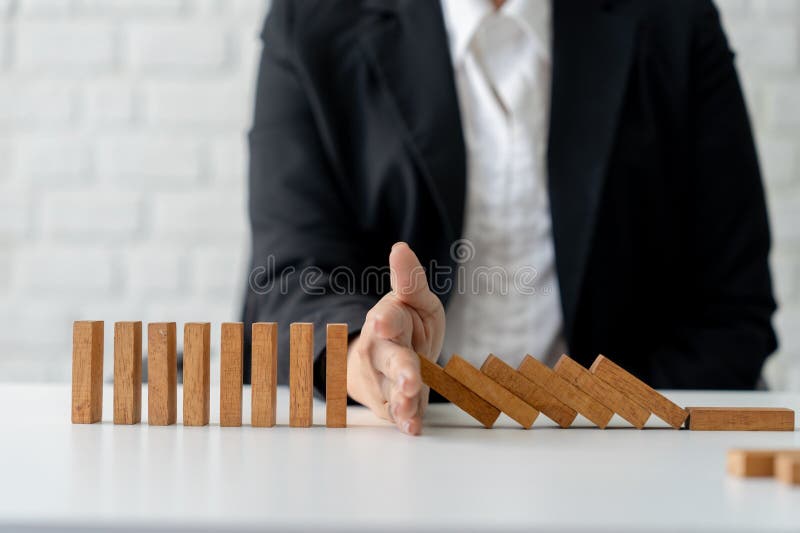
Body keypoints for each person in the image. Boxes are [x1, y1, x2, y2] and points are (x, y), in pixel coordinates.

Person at [242, 0, 777, 435]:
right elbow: (288, 276)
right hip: (397, 445)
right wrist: (365, 352)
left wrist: (619, 421)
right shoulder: (312, 19)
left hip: (616, 452)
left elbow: (733, 306)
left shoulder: (674, 20)